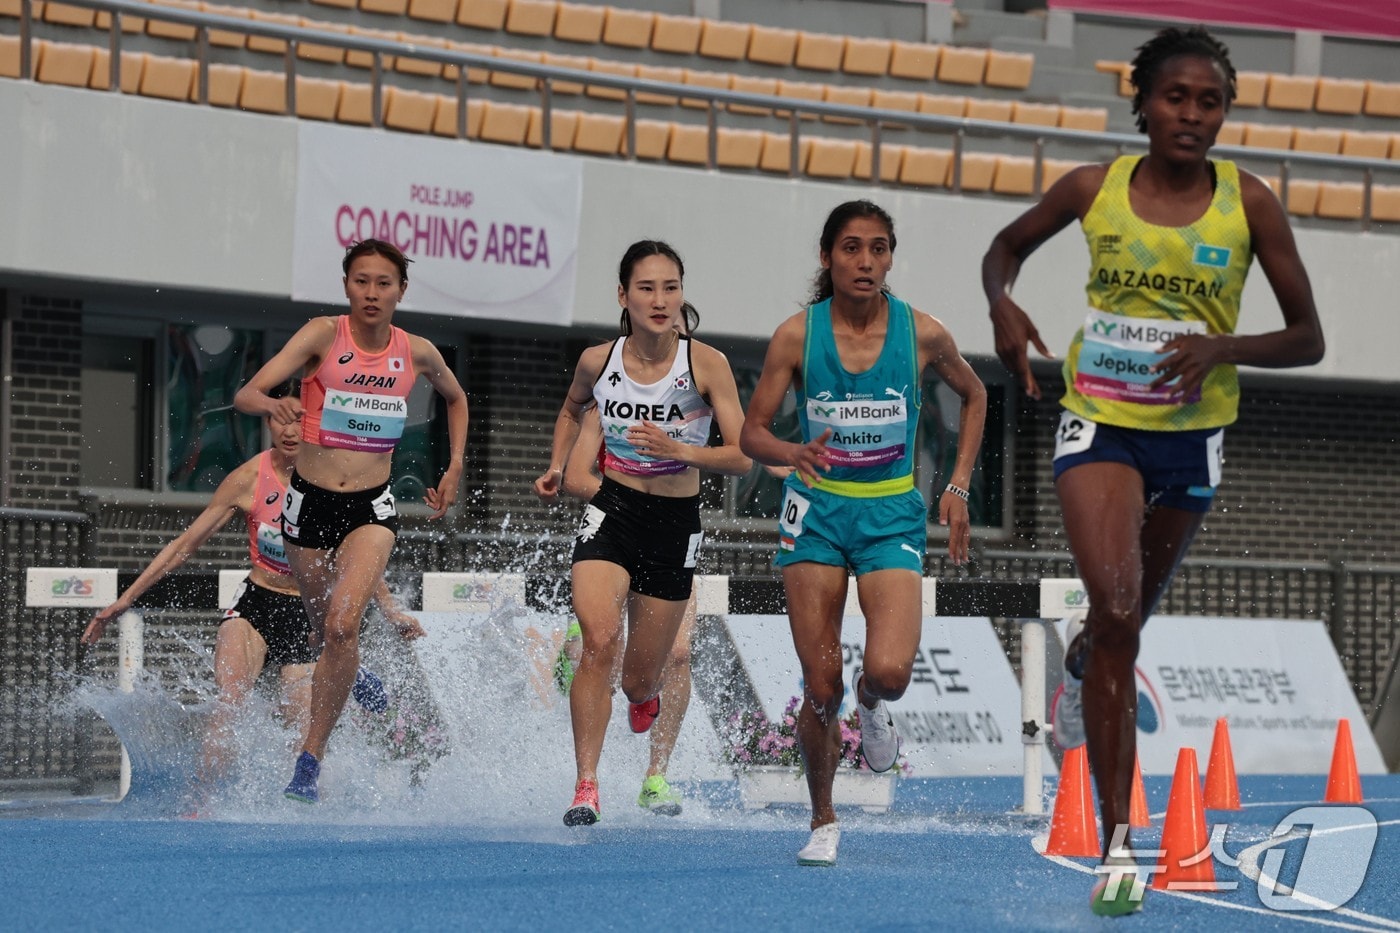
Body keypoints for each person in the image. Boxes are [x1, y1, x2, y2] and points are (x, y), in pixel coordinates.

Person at [982, 26, 1324, 916]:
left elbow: (1308, 336)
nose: (1192, 115)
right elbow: (1004, 247)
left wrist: (1223, 346)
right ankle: (1118, 841)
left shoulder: (1248, 203)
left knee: (1120, 616)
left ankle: (1089, 653)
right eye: (1176, 97)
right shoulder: (1094, 188)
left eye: (1210, 102)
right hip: (1100, 422)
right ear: (1141, 103)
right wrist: (1003, 305)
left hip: (1194, 439)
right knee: (1124, 609)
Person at [741, 200, 987, 868]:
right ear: (827, 257)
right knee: (821, 685)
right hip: (816, 513)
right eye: (851, 248)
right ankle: (823, 819)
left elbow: (976, 396)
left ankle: (874, 707)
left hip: (888, 515)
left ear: (890, 258)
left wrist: (957, 485)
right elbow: (751, 430)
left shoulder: (922, 332)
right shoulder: (797, 336)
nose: (866, 261)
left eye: (878, 249)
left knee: (887, 670)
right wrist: (789, 452)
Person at [80, 408, 424, 804]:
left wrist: (392, 611)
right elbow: (184, 546)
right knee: (230, 701)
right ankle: (202, 804)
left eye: (301, 420)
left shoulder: (335, 481)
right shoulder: (248, 478)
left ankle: (306, 808)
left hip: (307, 617)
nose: (291, 431)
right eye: (281, 420)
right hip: (257, 603)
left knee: (302, 722)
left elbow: (360, 559)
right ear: (268, 423)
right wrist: (123, 601)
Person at [234, 238, 468, 804]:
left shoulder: (418, 352)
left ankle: (308, 761)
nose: (371, 292)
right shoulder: (322, 335)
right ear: (346, 286)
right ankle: (352, 676)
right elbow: (247, 393)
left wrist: (455, 465)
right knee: (323, 631)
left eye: (383, 283)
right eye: (361, 281)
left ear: (401, 291)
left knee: (342, 627)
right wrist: (275, 405)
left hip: (370, 508)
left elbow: (457, 400)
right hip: (308, 505)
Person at [533, 240, 751, 826]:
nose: (661, 300)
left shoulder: (706, 365)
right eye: (647, 288)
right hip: (613, 510)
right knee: (599, 642)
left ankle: (643, 695)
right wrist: (558, 464)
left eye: (671, 288)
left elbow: (742, 456)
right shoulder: (596, 361)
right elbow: (571, 409)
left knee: (638, 680)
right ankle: (586, 785)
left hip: (674, 525)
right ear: (623, 295)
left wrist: (682, 450)